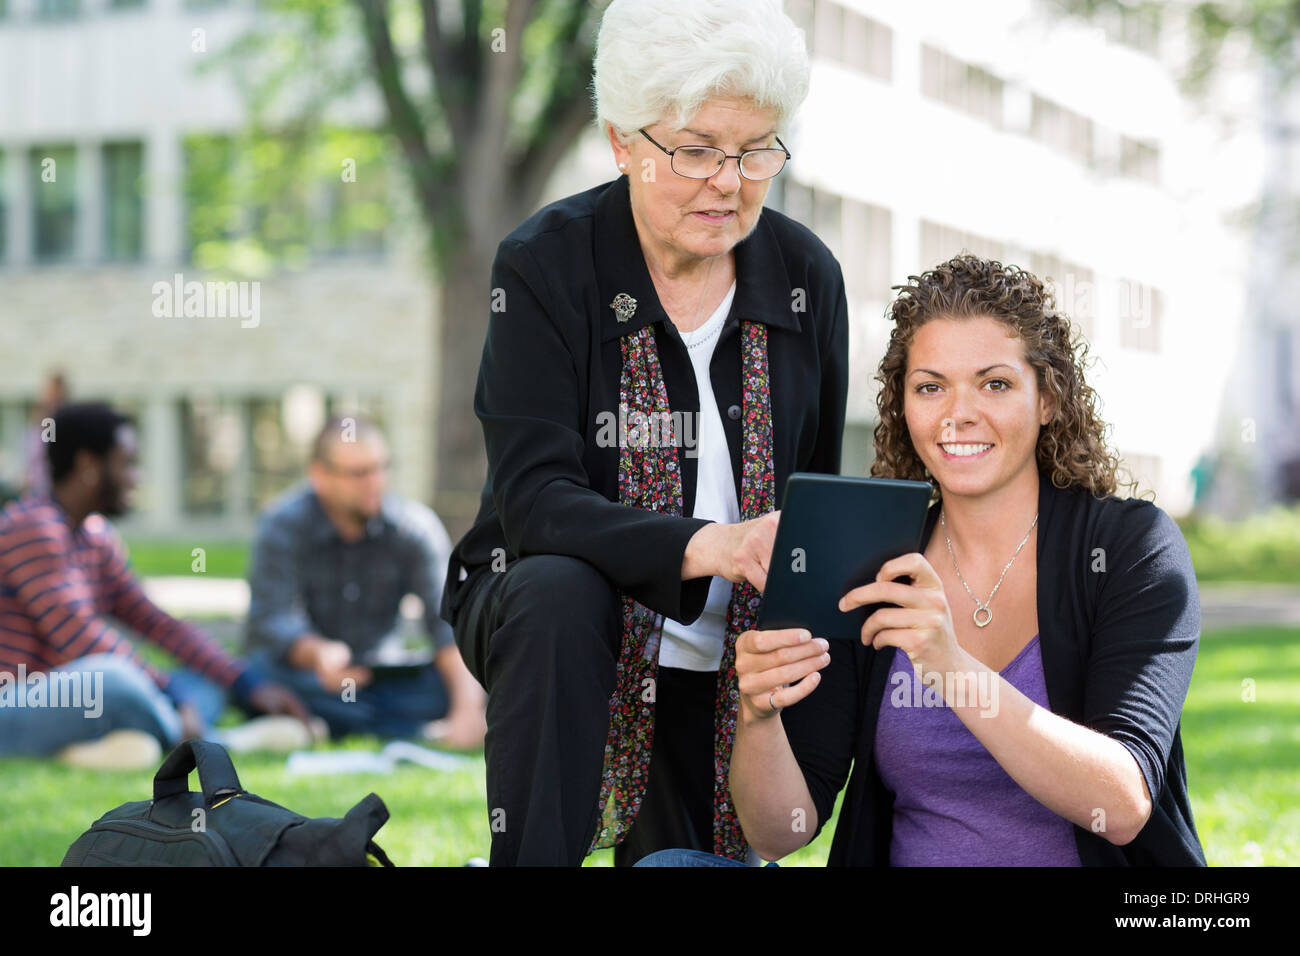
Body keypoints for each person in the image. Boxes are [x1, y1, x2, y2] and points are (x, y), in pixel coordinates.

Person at [440, 0, 847, 866]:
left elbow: (814, 492)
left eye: (757, 150)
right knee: (559, 589)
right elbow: (537, 503)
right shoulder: (545, 263)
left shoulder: (807, 274)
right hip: (546, 616)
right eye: (696, 150)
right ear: (623, 141)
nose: (730, 182)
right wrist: (716, 546)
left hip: (727, 651)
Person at [644, 254, 1204, 866]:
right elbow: (780, 833)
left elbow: (1122, 804)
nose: (957, 413)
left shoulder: (1128, 549)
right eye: (930, 386)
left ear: (1048, 399)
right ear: (903, 407)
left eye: (994, 383)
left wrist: (950, 665)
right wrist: (758, 713)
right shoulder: (876, 559)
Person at [0, 402, 314, 770]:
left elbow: (158, 623)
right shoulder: (31, 528)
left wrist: (248, 683)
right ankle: (215, 741)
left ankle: (114, 747)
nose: (137, 477)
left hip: (82, 701)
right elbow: (79, 637)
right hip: (17, 701)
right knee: (113, 677)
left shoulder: (95, 536)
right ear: (88, 466)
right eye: (127, 463)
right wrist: (173, 696)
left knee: (204, 678)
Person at [244, 415, 486, 747]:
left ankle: (322, 724)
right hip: (310, 674)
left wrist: (468, 709)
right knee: (259, 674)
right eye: (359, 473)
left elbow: (449, 624)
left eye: (381, 467)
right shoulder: (282, 526)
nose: (375, 482)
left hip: (379, 675)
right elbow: (271, 620)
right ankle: (400, 727)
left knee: (464, 680)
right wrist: (317, 653)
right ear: (319, 475)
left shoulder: (413, 528)